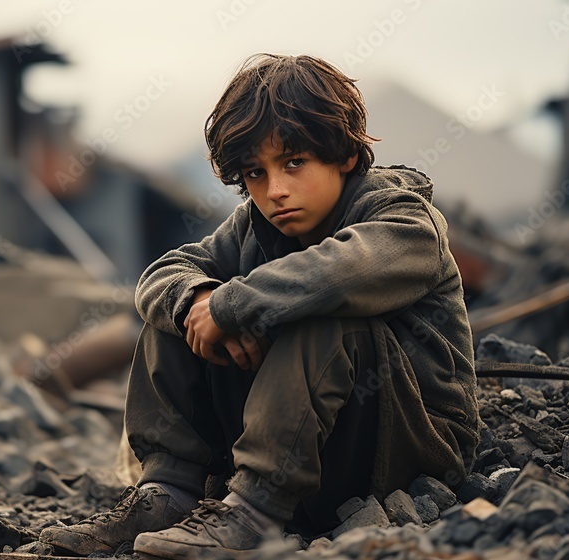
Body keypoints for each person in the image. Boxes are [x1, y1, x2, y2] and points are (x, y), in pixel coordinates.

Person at [40, 53, 479, 559]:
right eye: (255, 172)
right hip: (317, 452)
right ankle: (168, 494)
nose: (275, 191)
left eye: (294, 163)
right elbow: (164, 273)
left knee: (320, 319)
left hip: (409, 448)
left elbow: (343, 271)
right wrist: (199, 301)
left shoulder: (404, 218)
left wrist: (231, 305)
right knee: (180, 311)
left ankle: (252, 514)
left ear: (346, 156)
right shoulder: (254, 226)